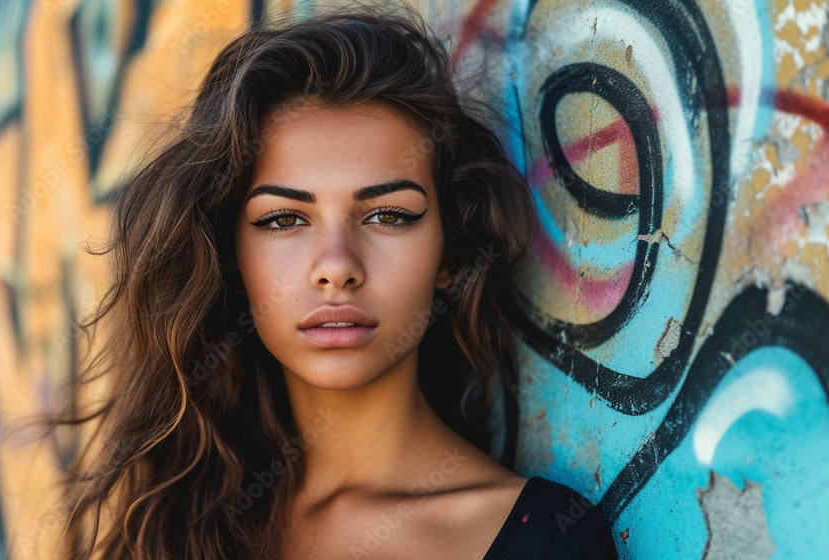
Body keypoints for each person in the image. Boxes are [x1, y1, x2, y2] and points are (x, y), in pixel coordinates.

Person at [45, 2, 619, 559]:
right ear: (230, 258)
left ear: (450, 254)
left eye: (388, 215)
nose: (337, 264)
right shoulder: (173, 524)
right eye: (284, 219)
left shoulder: (546, 540)